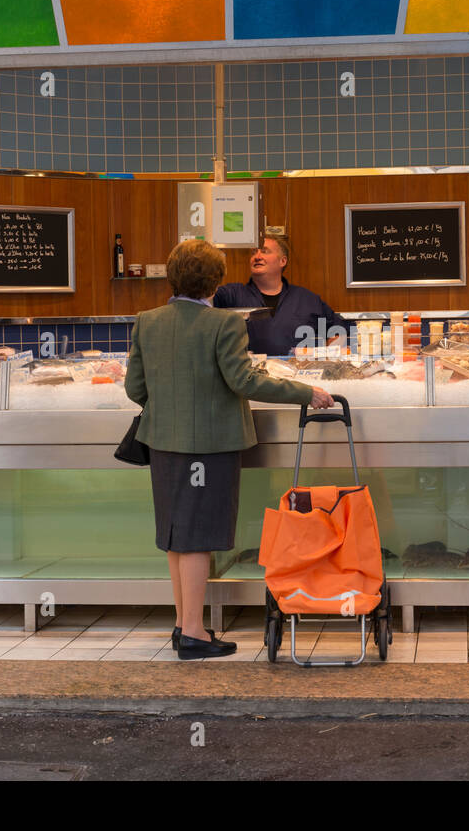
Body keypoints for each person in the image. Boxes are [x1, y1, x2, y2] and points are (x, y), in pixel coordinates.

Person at [124, 239, 334, 660]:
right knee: (198, 537)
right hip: (211, 446)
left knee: (176, 537)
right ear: (214, 281)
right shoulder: (224, 324)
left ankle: (185, 626)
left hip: (162, 442)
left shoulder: (147, 321)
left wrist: (172, 407)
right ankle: (196, 634)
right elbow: (246, 382)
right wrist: (304, 392)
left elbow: (135, 388)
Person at [213, 235, 349, 356]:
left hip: (295, 379)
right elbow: (200, 300)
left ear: (282, 261)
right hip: (249, 379)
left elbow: (338, 330)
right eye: (254, 252)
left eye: (265, 251)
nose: (257, 256)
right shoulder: (231, 294)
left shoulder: (307, 299)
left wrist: (329, 356)